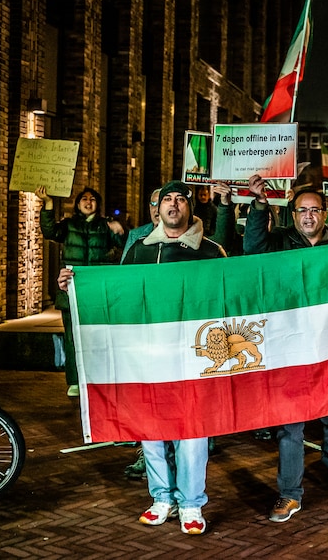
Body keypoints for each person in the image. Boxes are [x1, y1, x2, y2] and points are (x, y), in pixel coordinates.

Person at [58, 180, 225, 535]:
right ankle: (162, 497)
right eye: (167, 199)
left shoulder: (210, 251)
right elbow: (119, 290)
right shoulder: (140, 250)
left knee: (192, 431)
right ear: (158, 209)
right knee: (151, 428)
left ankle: (191, 503)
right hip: (149, 353)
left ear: (190, 207)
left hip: (193, 356)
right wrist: (77, 283)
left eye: (181, 199)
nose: (173, 204)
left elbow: (228, 294)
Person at [240, 174, 328, 523]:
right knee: (290, 424)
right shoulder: (279, 242)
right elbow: (252, 248)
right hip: (289, 346)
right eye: (302, 210)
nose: (308, 216)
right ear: (293, 214)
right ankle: (290, 493)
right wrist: (260, 204)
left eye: (315, 210)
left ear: (325, 214)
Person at [36, 185, 126, 397]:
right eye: (84, 198)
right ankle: (75, 381)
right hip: (71, 290)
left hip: (97, 291)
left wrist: (120, 231)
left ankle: (100, 379)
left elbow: (123, 245)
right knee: (72, 338)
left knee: (100, 336)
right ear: (77, 204)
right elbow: (50, 231)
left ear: (98, 204)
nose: (88, 202)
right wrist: (48, 203)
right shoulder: (68, 225)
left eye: (92, 199)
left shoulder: (105, 225)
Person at [122, 188, 161, 259]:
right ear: (149, 207)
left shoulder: (177, 234)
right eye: (154, 204)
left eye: (161, 205)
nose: (157, 210)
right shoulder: (135, 234)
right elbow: (125, 264)